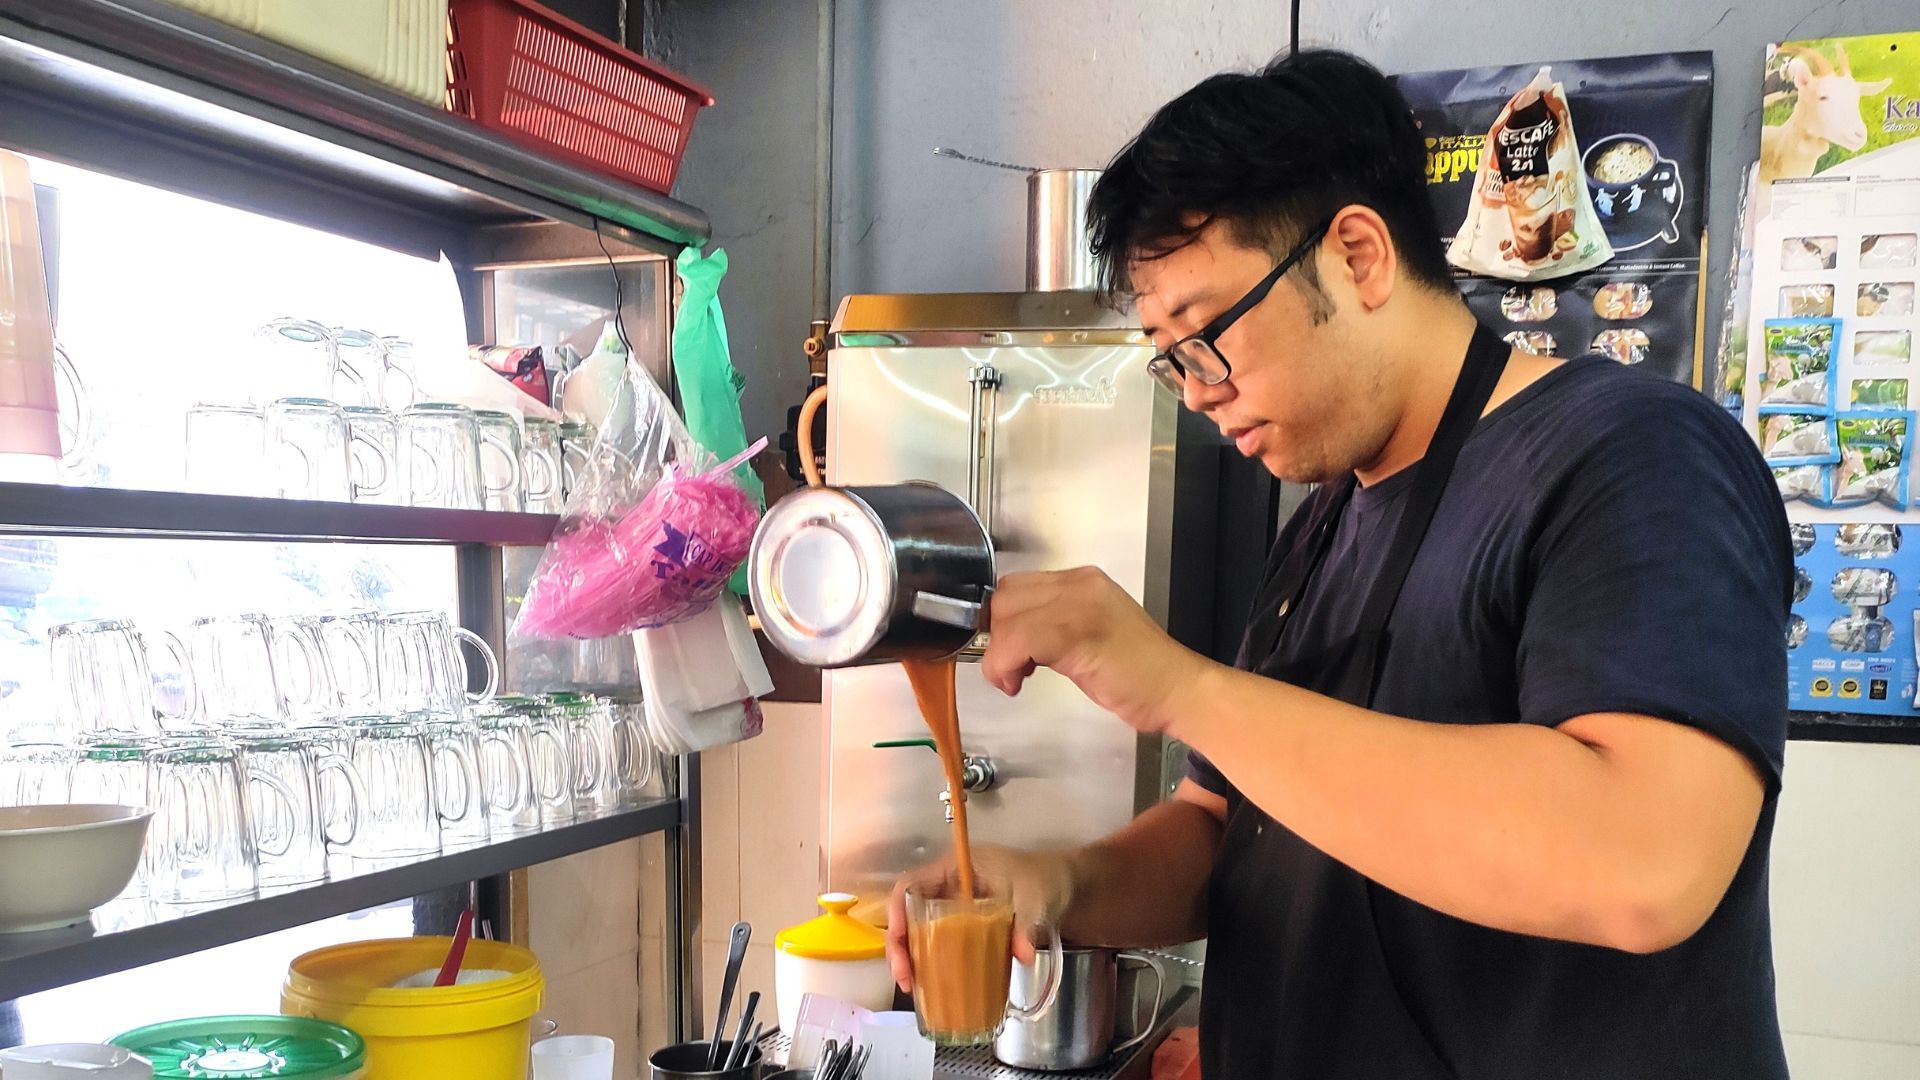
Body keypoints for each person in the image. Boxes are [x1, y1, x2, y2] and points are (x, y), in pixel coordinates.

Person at [884, 48, 1791, 1080]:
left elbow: (1647, 861)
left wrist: (1182, 688)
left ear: (1358, 256)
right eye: (1170, 360)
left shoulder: (1633, 455)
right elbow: (1225, 830)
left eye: (1207, 333)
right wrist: (1059, 890)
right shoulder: (1322, 524)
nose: (1199, 390)